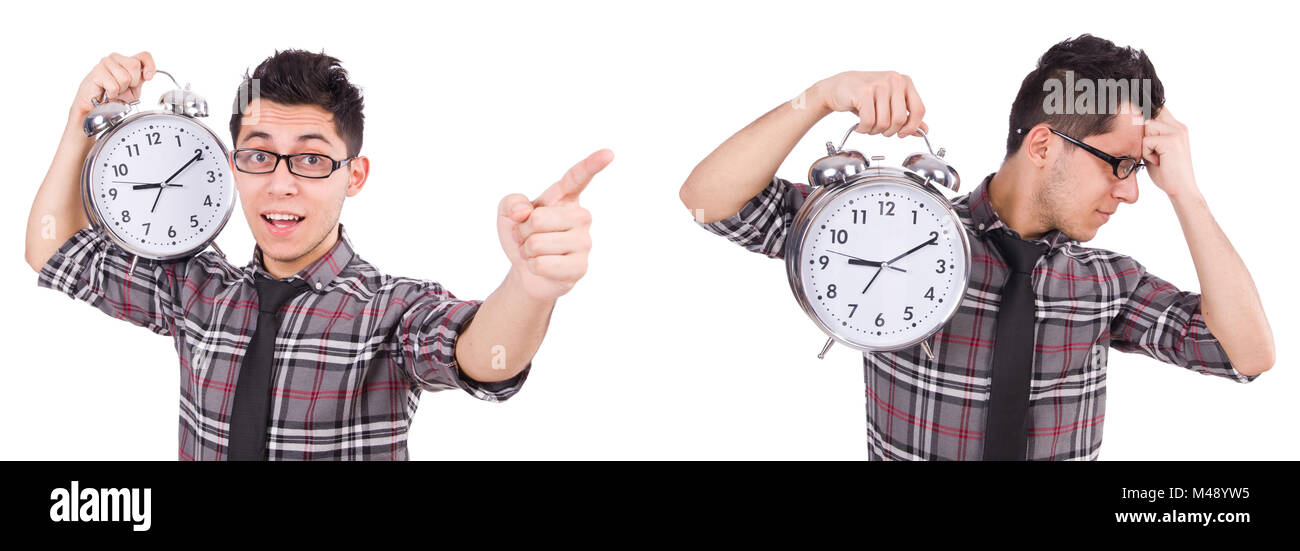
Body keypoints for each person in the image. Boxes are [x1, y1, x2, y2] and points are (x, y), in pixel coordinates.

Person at [679, 34, 1273, 460]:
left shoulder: (1107, 282)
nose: (1131, 191)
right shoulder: (898, 225)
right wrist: (821, 97)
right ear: (1043, 144)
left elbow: (1247, 355)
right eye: (1120, 164)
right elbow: (709, 201)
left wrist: (1187, 193)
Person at [24, 49, 613, 460]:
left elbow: (486, 356)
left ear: (353, 175)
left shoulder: (389, 310)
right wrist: (83, 120)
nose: (281, 184)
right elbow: (52, 248)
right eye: (259, 155)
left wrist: (529, 288)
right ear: (232, 167)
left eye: (310, 159)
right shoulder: (194, 292)